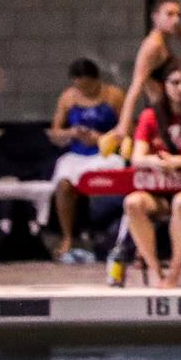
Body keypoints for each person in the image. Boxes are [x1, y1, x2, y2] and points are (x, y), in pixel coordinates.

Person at [121, 60, 181, 289]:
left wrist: (177, 162)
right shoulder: (149, 116)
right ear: (164, 85)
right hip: (157, 189)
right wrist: (154, 161)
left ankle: (175, 270)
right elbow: (137, 157)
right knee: (132, 202)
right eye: (175, 82)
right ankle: (155, 270)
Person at [47, 58, 124, 263]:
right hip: (78, 154)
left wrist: (101, 138)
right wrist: (72, 133)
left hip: (106, 154)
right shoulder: (68, 98)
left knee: (109, 182)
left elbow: (127, 130)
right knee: (63, 183)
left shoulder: (113, 95)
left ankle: (114, 235)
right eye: (80, 87)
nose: (85, 91)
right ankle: (67, 236)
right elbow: (55, 133)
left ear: (96, 80)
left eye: (89, 87)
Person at [106, 0, 181, 150]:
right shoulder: (153, 45)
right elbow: (136, 85)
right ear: (155, 17)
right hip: (161, 117)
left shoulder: (164, 42)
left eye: (178, 15)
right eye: (169, 14)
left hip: (175, 112)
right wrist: (123, 126)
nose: (176, 20)